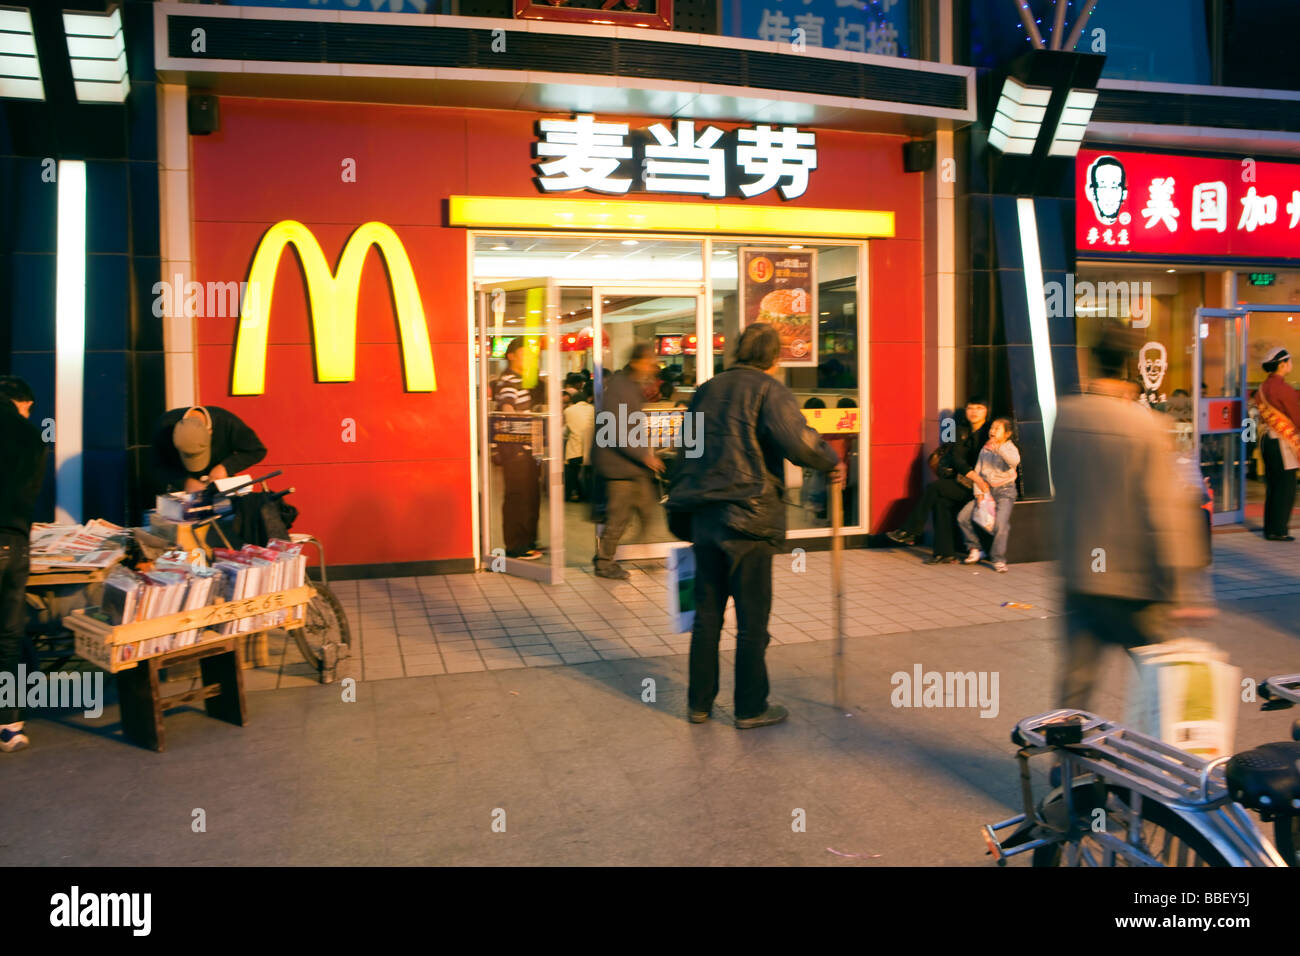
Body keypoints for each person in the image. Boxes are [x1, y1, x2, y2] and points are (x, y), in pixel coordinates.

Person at [669, 323, 840, 728]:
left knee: (706, 618)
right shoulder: (769, 390)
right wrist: (830, 459)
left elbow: (686, 450)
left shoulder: (705, 390)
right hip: (749, 519)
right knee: (751, 622)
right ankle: (749, 708)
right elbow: (798, 442)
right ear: (774, 357)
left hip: (705, 519)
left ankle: (699, 704)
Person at [1050, 320, 1211, 711]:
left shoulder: (1065, 417)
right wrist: (1184, 589)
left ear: (1092, 359)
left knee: (1076, 685)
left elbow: (1062, 487)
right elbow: (1164, 511)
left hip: (1081, 575)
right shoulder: (1146, 426)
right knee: (1164, 684)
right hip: (1133, 583)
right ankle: (1171, 746)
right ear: (1128, 365)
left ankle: (1066, 747)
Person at [0, 376, 49, 753]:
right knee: (8, 635)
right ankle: (9, 726)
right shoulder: (33, 437)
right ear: (23, 403)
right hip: (14, 543)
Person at [886, 397, 991, 564]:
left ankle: (911, 530)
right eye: (971, 408)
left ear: (986, 411)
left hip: (983, 487)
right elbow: (956, 458)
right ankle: (944, 553)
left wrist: (977, 479)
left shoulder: (989, 432)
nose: (974, 412)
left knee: (934, 488)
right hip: (967, 481)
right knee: (941, 502)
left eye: (979, 408)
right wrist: (973, 476)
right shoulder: (960, 430)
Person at [591, 343, 665, 579]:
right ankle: (604, 563)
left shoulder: (629, 386)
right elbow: (615, 430)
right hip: (618, 467)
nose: (652, 367)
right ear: (636, 362)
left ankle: (645, 555)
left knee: (647, 511)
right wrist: (644, 456)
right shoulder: (619, 388)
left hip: (632, 466)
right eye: (649, 362)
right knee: (619, 517)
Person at [493, 337, 543, 560]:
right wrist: (518, 433)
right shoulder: (509, 381)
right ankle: (517, 546)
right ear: (511, 356)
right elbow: (507, 407)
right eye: (525, 354)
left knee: (529, 495)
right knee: (518, 496)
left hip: (527, 446)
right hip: (516, 448)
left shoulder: (523, 380)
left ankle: (528, 541)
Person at [150, 405, 267, 495]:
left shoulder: (227, 422)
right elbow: (157, 465)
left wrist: (225, 467)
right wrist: (183, 481)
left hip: (220, 489)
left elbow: (257, 450)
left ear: (210, 432)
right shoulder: (164, 426)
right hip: (180, 494)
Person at [957, 417, 1019, 572]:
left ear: (1007, 433)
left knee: (1001, 525)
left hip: (1005, 491)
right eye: (992, 428)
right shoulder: (985, 448)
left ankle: (998, 559)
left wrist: (999, 447)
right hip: (986, 491)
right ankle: (975, 548)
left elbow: (1014, 462)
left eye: (997, 429)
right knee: (962, 517)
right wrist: (979, 493)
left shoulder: (1009, 448)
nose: (992, 431)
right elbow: (978, 472)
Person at [1252, 347, 1300, 541]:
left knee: (1273, 485)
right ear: (1282, 364)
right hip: (1282, 442)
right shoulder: (1283, 389)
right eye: (1289, 361)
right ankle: (1278, 530)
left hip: (1266, 439)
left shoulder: (1262, 388)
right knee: (1286, 487)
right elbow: (1296, 417)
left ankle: (1270, 527)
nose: (1291, 365)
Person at [563, 384, 595, 503]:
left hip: (575, 452)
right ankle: (589, 495)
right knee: (590, 473)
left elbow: (565, 430)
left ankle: (567, 494)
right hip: (591, 450)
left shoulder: (568, 410)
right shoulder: (593, 409)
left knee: (571, 470)